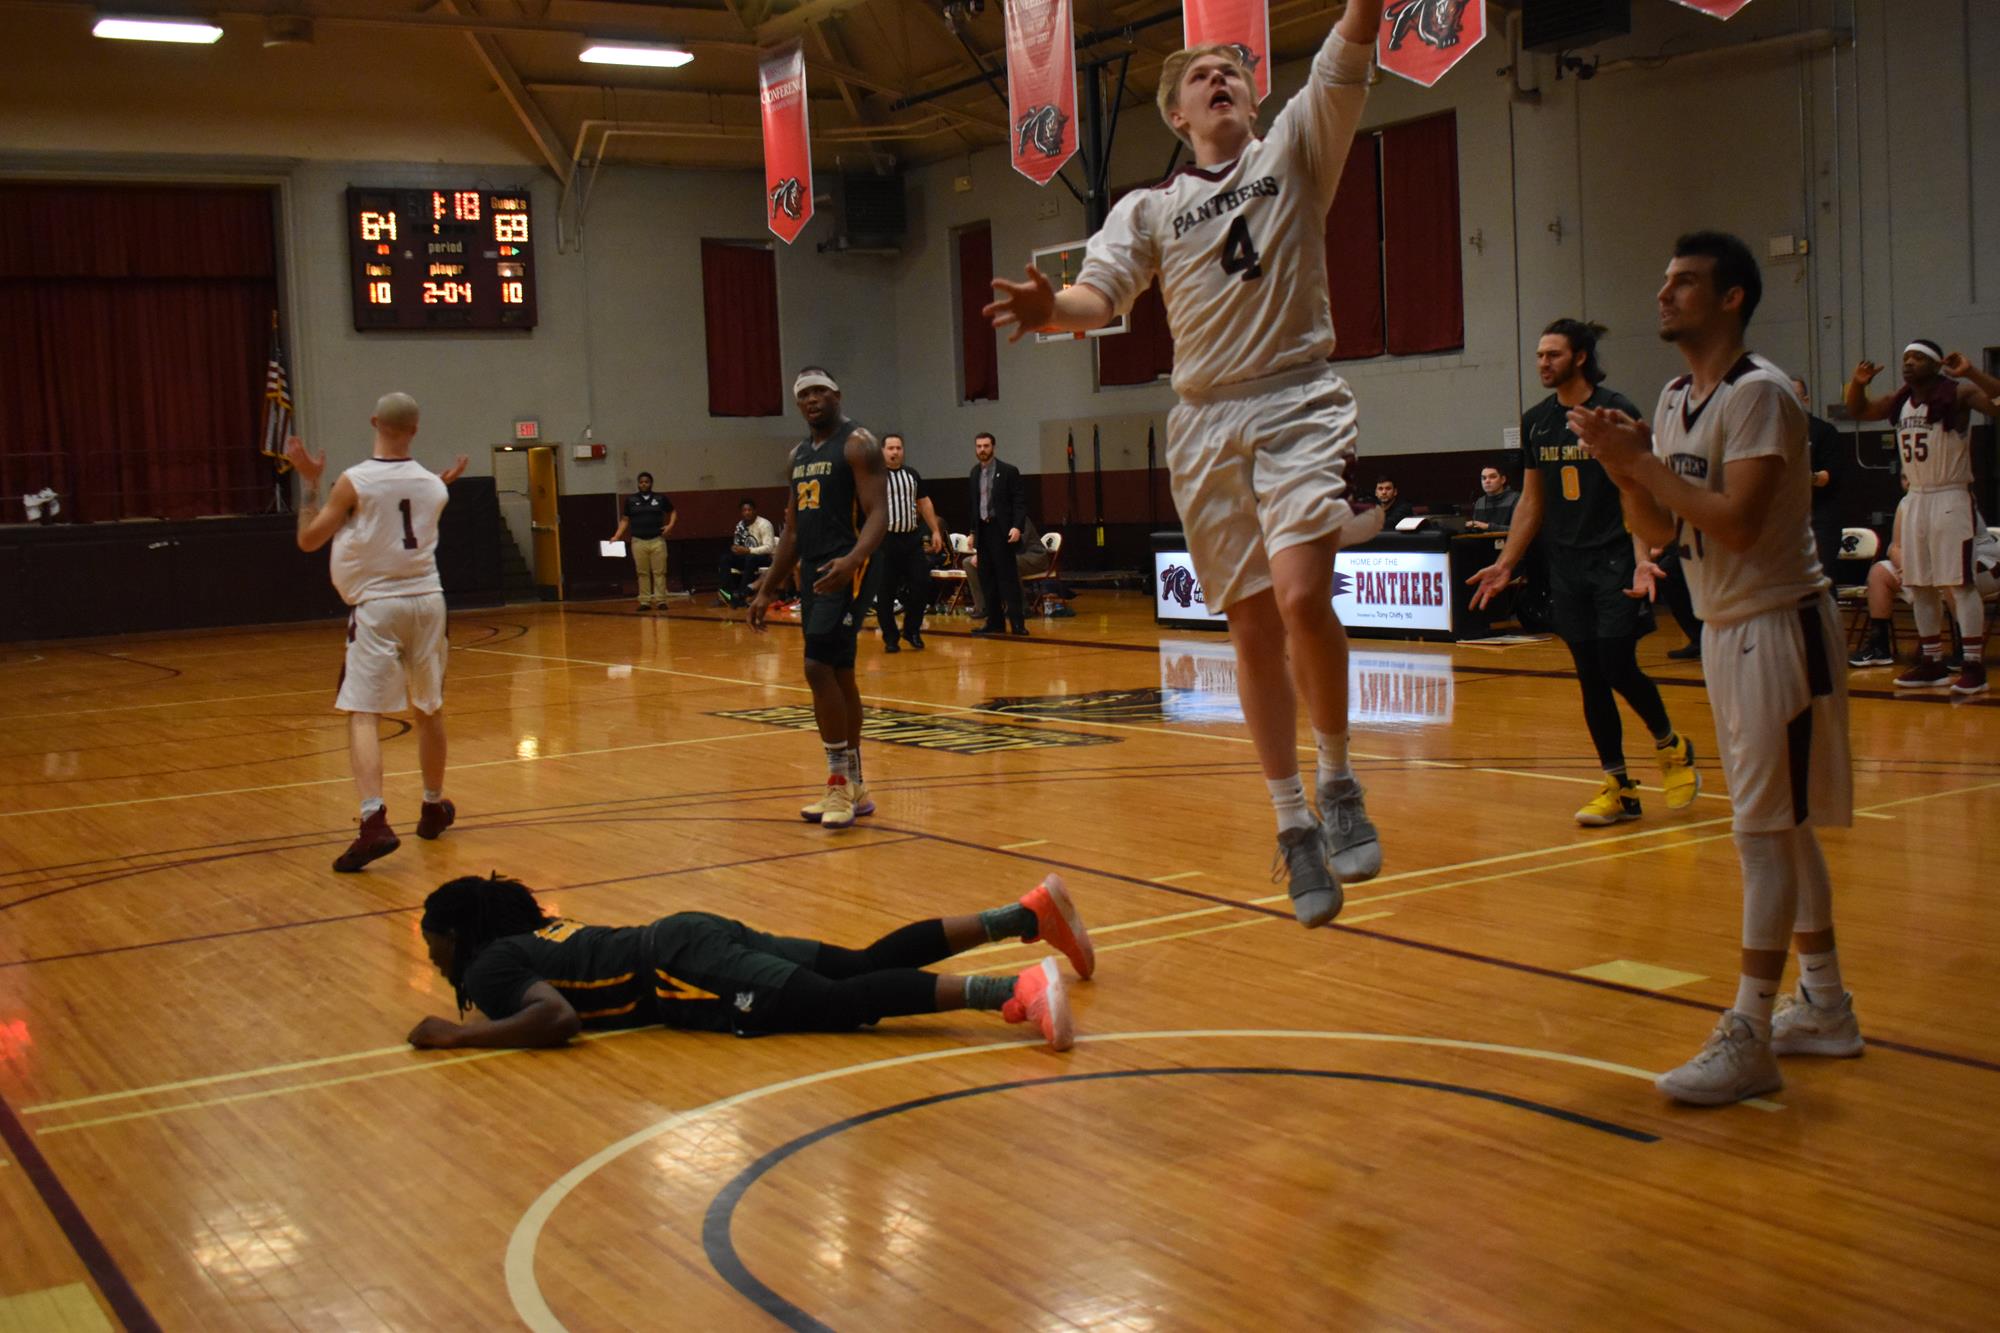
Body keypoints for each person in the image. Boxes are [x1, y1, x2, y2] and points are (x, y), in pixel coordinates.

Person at [984, 2, 1387, 928]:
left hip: (1295, 398)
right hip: (1204, 422)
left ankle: (1338, 780)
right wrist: (1054, 308)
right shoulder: (1150, 207)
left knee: (1299, 596)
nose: (1223, 80)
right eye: (1204, 77)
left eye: (1235, 71)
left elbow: (1349, 48)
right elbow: (1100, 292)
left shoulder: (1296, 147)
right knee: (1250, 626)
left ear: (1257, 93)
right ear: (1177, 115)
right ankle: (1291, 826)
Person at [1573, 229, 1860, 1106]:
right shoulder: (1671, 397)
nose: (1665, 295)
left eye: (1686, 283)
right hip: (1725, 626)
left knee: (1761, 833)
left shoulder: (1762, 395)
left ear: (1732, 297)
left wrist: (1642, 463)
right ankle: (1825, 1006)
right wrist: (1625, 472)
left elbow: (1734, 522)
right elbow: (1661, 531)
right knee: (1785, 824)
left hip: (1782, 625)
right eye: (1665, 281)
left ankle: (1750, 1029)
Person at [406, 871, 1093, 1052]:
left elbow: (555, 1018)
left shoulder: (487, 966)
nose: (431, 952)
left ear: (457, 932)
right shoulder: (527, 937)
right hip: (685, 931)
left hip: (678, 969)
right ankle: (1028, 914)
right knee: (857, 963)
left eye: (431, 937)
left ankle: (1015, 987)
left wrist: (456, 1033)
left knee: (840, 1003)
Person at [1468, 318, 1701, 826]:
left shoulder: (1615, 411)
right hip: (1566, 563)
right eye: (1538, 355)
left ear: (1579, 357)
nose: (1542, 363)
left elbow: (1633, 487)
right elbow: (1532, 499)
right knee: (1589, 678)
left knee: (1617, 664)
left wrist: (1643, 556)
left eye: (1552, 354)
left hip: (1615, 555)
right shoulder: (1536, 421)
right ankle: (1619, 787)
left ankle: (1671, 744)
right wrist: (1506, 562)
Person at [285, 394, 468, 873]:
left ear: (374, 422)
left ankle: (373, 821)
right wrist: (440, 482)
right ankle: (432, 805)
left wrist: (309, 481)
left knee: (363, 712)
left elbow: (308, 540)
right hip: (429, 600)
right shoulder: (433, 485)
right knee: (429, 706)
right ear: (416, 427)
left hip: (379, 604)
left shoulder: (354, 480)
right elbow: (414, 513)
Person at [747, 367, 888, 830]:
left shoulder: (858, 443)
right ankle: (856, 785)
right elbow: (791, 528)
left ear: (836, 395)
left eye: (819, 392)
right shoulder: (798, 455)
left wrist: (852, 560)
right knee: (839, 672)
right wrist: (769, 586)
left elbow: (879, 515)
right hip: (815, 571)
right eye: (803, 394)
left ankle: (837, 784)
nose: (811, 400)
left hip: (850, 567)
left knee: (816, 667)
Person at [1843, 341, 2000, 695]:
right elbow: (1859, 409)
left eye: (1917, 358)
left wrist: (1972, 371)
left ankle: (1973, 664)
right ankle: (1932, 661)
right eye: (1905, 358)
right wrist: (1858, 383)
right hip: (1915, 498)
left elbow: (1998, 404)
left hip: (1950, 494)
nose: (1908, 363)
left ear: (1935, 364)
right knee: (1920, 584)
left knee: (1959, 584)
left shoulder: (1959, 394)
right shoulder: (1900, 401)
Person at [1849, 487, 2000, 669]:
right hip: (1930, 565)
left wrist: (1919, 567)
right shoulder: (1907, 503)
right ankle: (1879, 646)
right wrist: (1906, 568)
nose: (1907, 481)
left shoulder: (1955, 496)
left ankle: (1966, 651)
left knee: (1951, 576)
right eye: (1904, 477)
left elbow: (1952, 549)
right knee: (1879, 571)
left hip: (1981, 561)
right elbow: (1895, 547)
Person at [876, 433, 947, 651]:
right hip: (885, 540)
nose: (895, 452)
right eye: (890, 448)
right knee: (886, 591)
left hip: (911, 538)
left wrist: (935, 530)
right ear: (882, 451)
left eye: (898, 448)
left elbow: (923, 502)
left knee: (922, 584)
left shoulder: (911, 474)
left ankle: (912, 630)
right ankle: (890, 637)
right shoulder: (874, 476)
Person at [966, 432, 1031, 637]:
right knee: (987, 579)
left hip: (1001, 530)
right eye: (979, 446)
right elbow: (973, 505)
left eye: (986, 445)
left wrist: (1017, 526)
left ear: (993, 447)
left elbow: (1019, 502)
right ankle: (994, 622)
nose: (982, 450)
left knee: (1008, 579)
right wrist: (972, 531)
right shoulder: (974, 473)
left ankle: (1018, 623)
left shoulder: (1008, 471)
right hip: (983, 530)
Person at [1792, 377, 1845, 576]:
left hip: (1820, 518)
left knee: (1818, 576)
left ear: (1806, 400)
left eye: (1794, 396)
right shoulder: (1774, 431)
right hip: (1787, 518)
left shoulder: (1823, 431)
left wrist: (1805, 478)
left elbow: (1830, 476)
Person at [610, 471, 677, 613]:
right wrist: (617, 536)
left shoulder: (660, 498)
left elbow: (673, 512)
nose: (644, 484)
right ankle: (645, 601)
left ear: (651, 483)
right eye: (641, 482)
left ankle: (661, 600)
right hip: (638, 541)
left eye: (646, 482)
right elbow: (625, 519)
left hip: (657, 540)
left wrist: (670, 526)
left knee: (659, 572)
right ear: (638, 484)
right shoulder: (631, 500)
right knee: (642, 572)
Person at [965, 513, 1050, 623]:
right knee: (968, 562)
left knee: (1007, 563)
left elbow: (1016, 544)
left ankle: (1021, 608)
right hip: (1010, 556)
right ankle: (984, 607)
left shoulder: (1019, 518)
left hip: (1033, 556)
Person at [717, 497, 776, 607]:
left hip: (764, 557)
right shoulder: (740, 525)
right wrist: (736, 549)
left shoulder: (764, 524)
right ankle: (727, 593)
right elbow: (738, 543)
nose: (747, 513)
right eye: (744, 510)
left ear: (755, 511)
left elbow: (769, 547)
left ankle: (741, 594)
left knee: (751, 558)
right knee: (725, 558)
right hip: (747, 556)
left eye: (749, 510)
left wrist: (748, 550)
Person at [1466, 466, 1517, 530]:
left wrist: (1488, 526)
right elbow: (1477, 529)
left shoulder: (1515, 498)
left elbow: (1521, 529)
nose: (1487, 481)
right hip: (1482, 539)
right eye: (1484, 478)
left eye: (1492, 477)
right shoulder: (1480, 502)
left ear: (1503, 480)